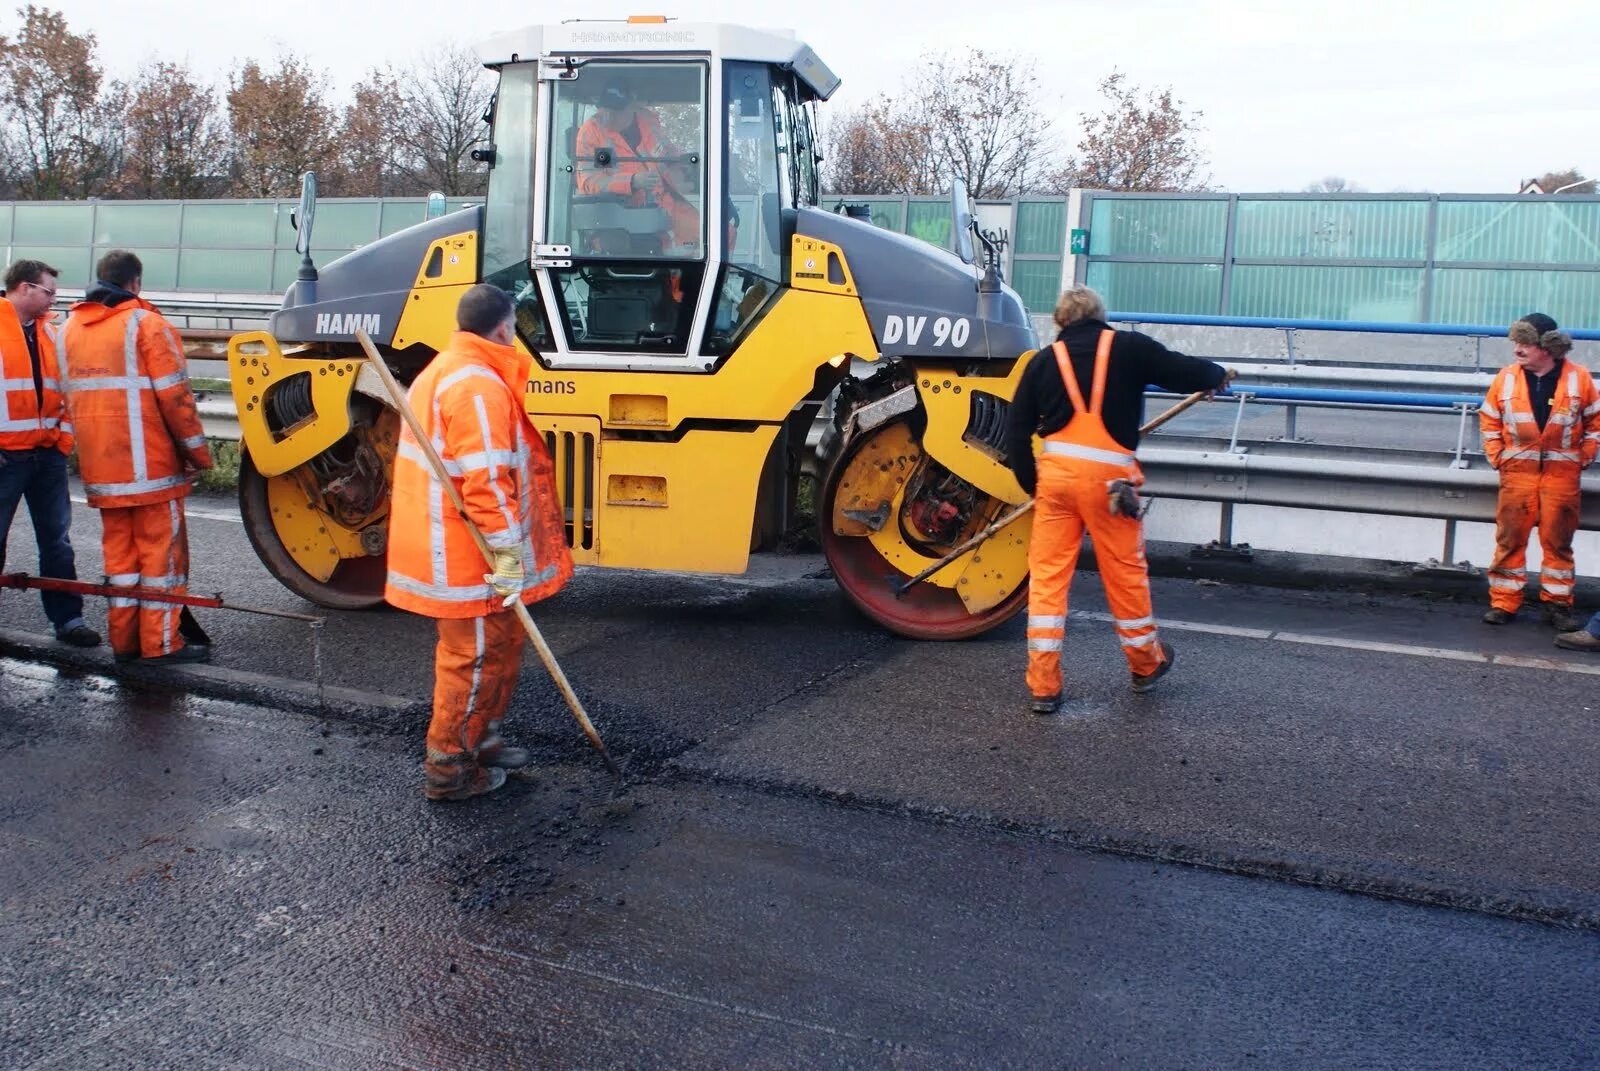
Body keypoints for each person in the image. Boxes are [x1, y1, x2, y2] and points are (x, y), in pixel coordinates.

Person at [385, 284, 574, 802]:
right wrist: (508, 556)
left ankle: (481, 736)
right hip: (469, 558)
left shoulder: (452, 370)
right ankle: (450, 768)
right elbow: (486, 482)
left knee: (499, 648)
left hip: (464, 550)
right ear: (504, 327)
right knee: (473, 660)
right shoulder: (475, 385)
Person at [1005, 285, 1227, 713]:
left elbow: (1016, 432)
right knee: (1124, 573)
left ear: (1060, 322)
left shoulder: (1043, 362)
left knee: (1048, 581)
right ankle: (1145, 664)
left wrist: (1033, 485)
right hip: (1111, 489)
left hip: (1056, 484)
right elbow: (1183, 370)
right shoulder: (1128, 348)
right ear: (1100, 316)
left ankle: (1044, 686)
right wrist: (1216, 375)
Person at [61, 250, 212, 664]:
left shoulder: (68, 329)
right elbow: (177, 400)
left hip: (102, 471)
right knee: (161, 560)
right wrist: (198, 455)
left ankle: (125, 644)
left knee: (122, 562)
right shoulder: (147, 325)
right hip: (152, 469)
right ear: (135, 282)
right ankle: (161, 645)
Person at [0, 259, 99, 647]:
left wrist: (62, 443)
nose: (54, 298)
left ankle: (68, 620)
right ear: (24, 288)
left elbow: (67, 394)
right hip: (6, 458)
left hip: (46, 457)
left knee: (57, 540)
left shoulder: (51, 334)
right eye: (48, 291)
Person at [1479, 313, 1597, 631]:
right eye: (1516, 341)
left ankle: (1557, 605)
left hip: (1561, 477)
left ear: (1548, 347)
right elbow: (1489, 419)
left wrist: (1581, 458)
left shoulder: (1579, 379)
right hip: (1517, 474)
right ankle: (1504, 603)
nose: (1517, 348)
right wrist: (1498, 457)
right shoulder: (1505, 378)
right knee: (1509, 540)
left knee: (1558, 543)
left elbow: (1594, 422)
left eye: (1525, 342)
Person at [574, 82, 700, 253]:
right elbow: (588, 181)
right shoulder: (591, 133)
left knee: (720, 236)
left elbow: (668, 153)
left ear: (632, 107)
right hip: (621, 213)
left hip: (664, 203)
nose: (608, 115)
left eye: (616, 109)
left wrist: (686, 170)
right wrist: (632, 181)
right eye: (605, 108)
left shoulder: (648, 121)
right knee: (659, 251)